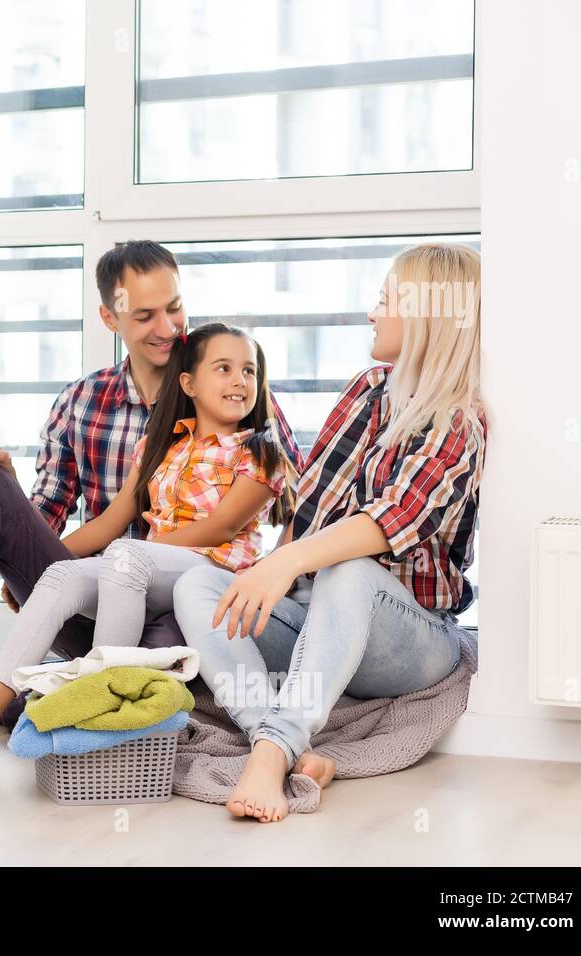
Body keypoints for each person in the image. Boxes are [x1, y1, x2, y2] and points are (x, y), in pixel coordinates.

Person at [0, 240, 300, 755]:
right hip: (90, 596)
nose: (168, 328)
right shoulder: (84, 403)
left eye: (174, 308)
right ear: (110, 317)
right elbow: (71, 518)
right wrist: (9, 503)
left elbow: (295, 513)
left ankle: (50, 696)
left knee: (149, 628)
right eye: (145, 315)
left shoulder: (237, 390)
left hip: (181, 615)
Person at [173, 243, 484, 822]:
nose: (373, 312)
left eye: (385, 300)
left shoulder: (460, 417)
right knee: (196, 585)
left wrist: (285, 563)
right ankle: (291, 742)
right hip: (323, 620)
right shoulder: (368, 391)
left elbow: (392, 520)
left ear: (424, 314)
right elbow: (311, 508)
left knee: (351, 566)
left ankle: (267, 756)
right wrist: (274, 566)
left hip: (414, 640)